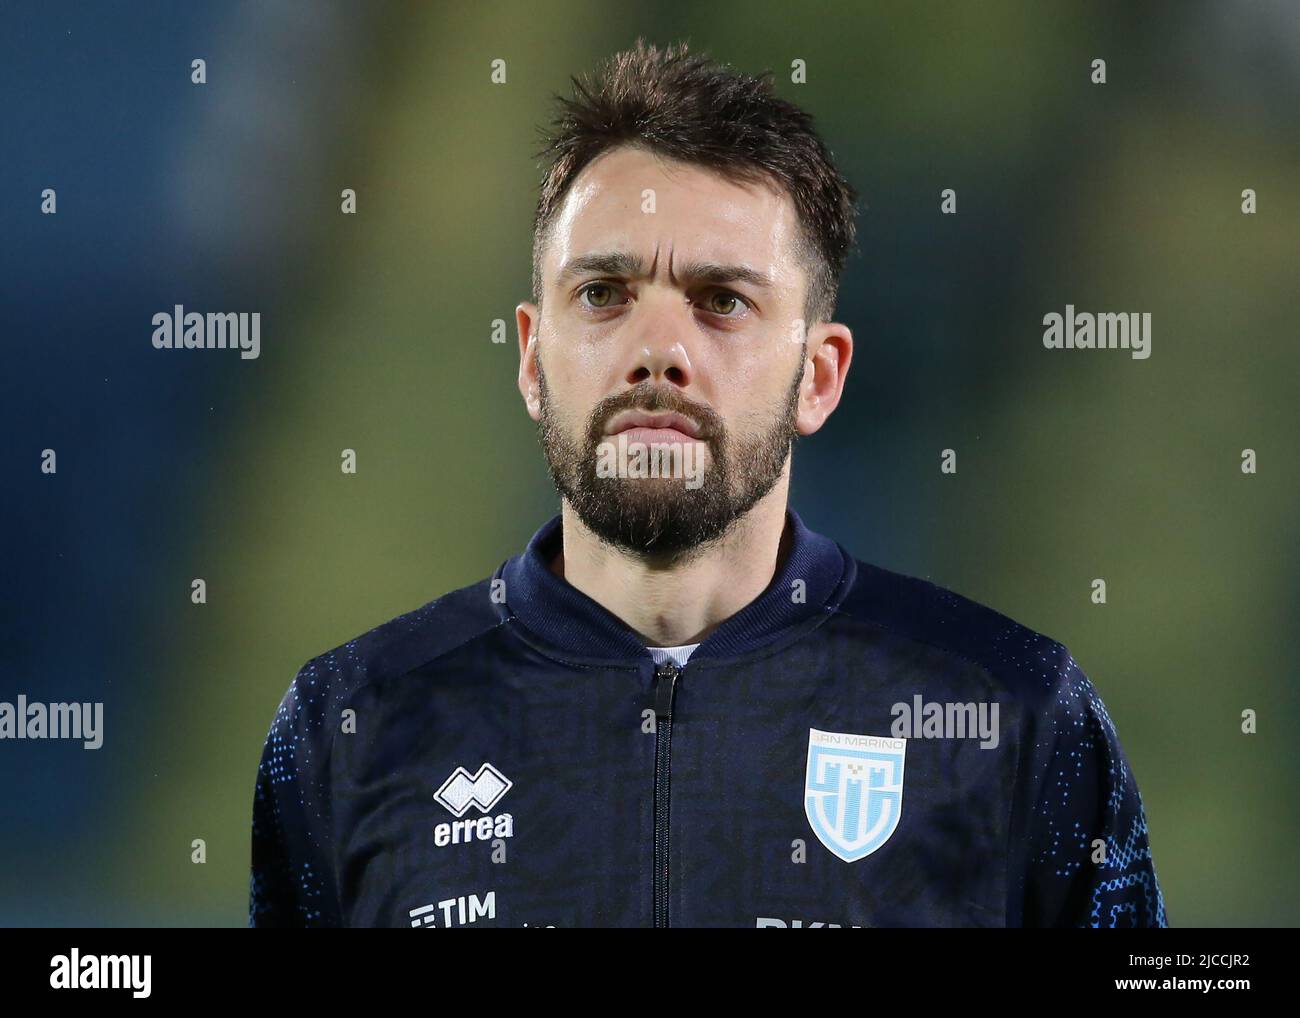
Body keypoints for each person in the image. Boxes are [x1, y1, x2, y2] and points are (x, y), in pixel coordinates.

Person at [250, 39, 1167, 928]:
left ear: (819, 375)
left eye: (722, 301)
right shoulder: (353, 721)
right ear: (532, 358)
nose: (659, 352)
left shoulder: (1011, 710)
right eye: (604, 294)